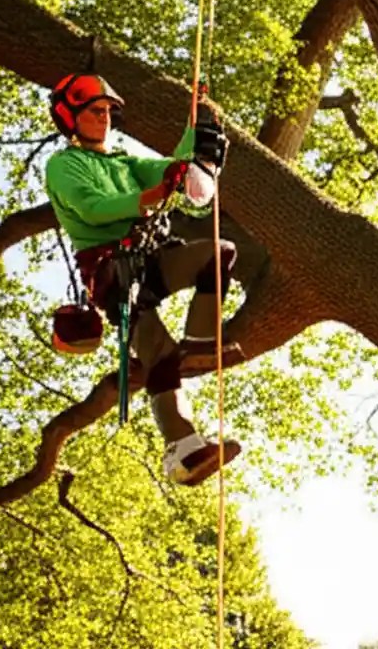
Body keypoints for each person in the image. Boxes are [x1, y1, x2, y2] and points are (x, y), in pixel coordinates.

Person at [43, 73, 243, 487]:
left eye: (107, 112)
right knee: (160, 356)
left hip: (153, 257)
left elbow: (170, 170)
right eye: (94, 112)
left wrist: (198, 136)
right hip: (113, 273)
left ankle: (203, 343)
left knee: (217, 253)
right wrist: (150, 198)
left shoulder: (123, 163)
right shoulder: (64, 165)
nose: (104, 119)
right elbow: (94, 207)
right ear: (71, 118)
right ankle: (184, 450)